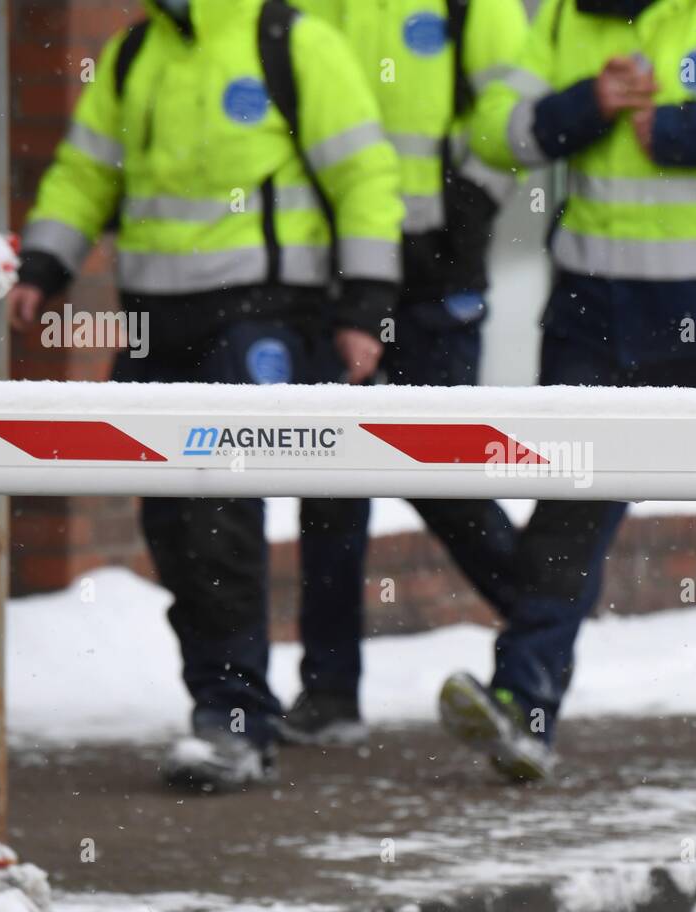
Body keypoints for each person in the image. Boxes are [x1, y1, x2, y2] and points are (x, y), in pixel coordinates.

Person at [436, 0, 696, 780]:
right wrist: (583, 106)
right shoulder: (566, 20)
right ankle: (524, 704)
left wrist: (694, 130)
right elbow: (494, 130)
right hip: (597, 318)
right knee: (564, 518)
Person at [9, 0, 403, 790]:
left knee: (221, 507)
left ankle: (233, 719)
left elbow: (364, 174)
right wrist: (45, 264)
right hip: (155, 318)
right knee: (166, 515)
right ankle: (220, 700)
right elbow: (87, 171)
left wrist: (365, 305)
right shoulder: (130, 58)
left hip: (259, 309)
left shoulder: (293, 43)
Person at [279, 0, 531, 746]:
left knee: (443, 470)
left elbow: (514, 107)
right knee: (331, 482)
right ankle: (329, 689)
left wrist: (474, 197)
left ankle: (542, 622)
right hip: (339, 268)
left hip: (434, 269)